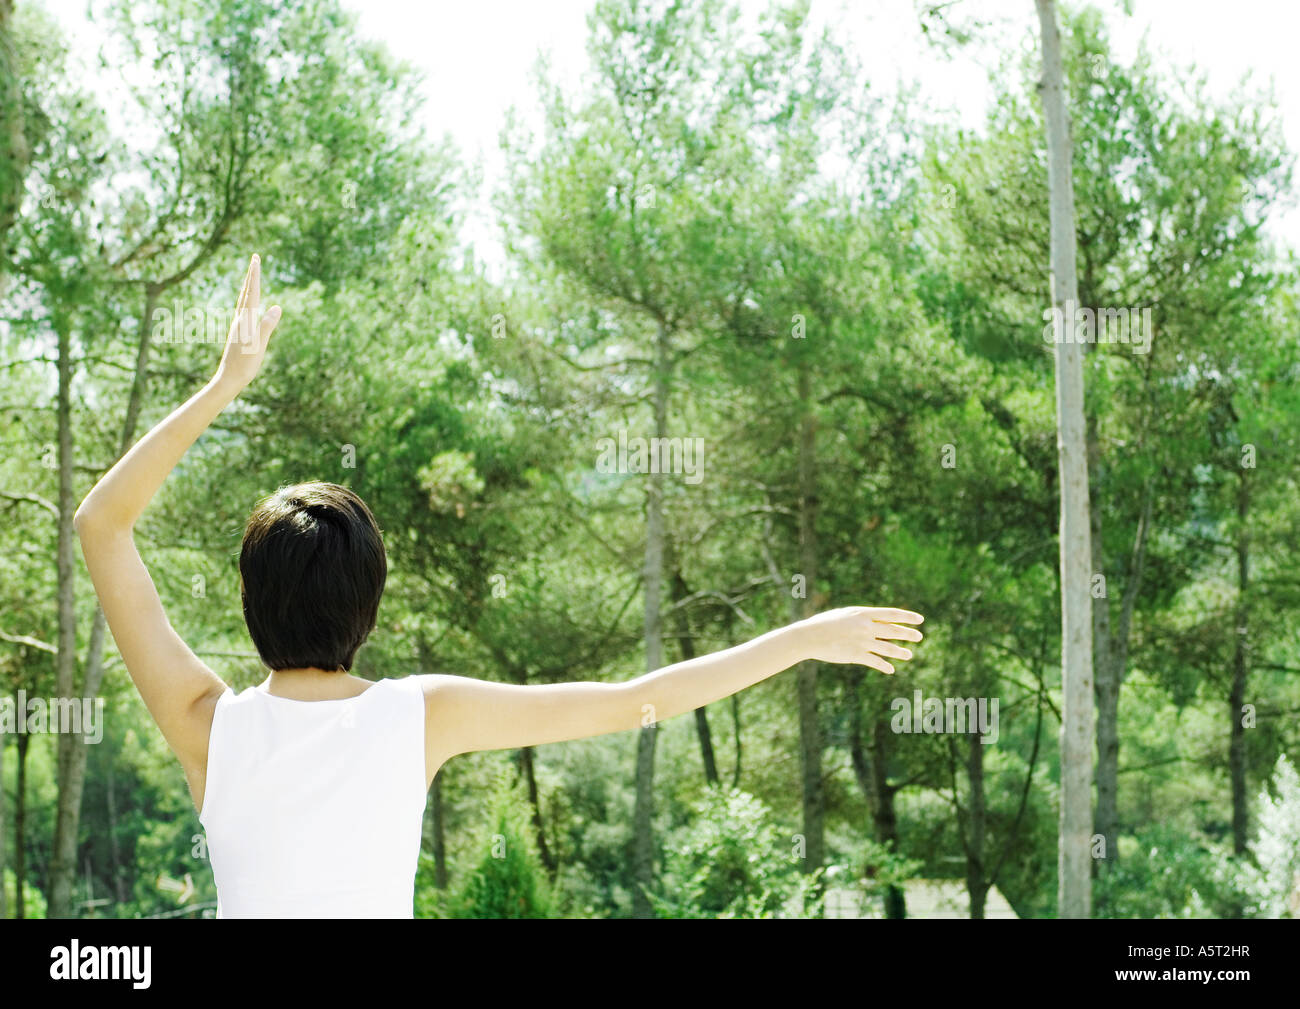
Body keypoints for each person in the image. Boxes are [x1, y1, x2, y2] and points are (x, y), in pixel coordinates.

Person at [74, 253, 925, 918]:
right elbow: (642, 696)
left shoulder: (208, 729)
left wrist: (227, 383)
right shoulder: (417, 714)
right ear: (368, 605)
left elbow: (101, 523)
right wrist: (807, 636)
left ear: (251, 600)